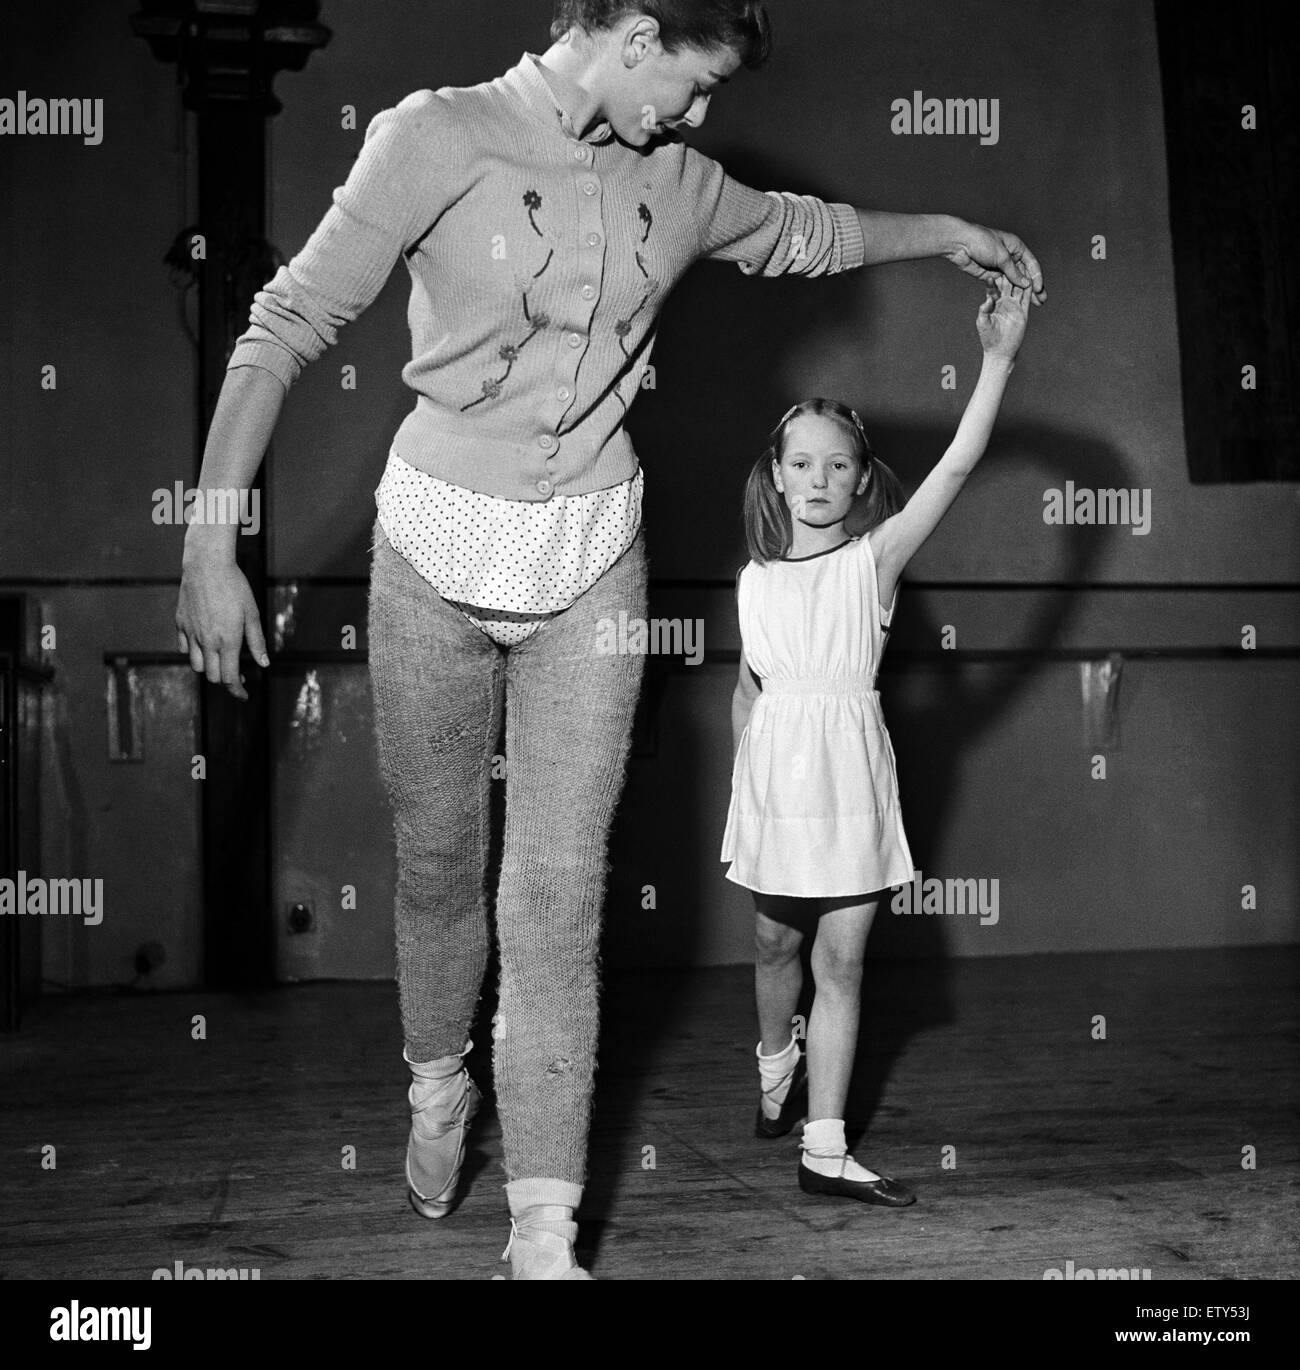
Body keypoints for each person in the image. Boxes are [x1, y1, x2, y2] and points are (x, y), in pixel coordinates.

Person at [174, 0, 1045, 1279]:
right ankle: (434, 1081)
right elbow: (281, 327)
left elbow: (811, 235)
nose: (696, 123)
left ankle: (543, 1229)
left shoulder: (680, 184)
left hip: (592, 556)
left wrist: (954, 231)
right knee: (435, 862)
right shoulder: (434, 136)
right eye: (690, 90)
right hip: (431, 550)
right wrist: (208, 545)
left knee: (556, 897)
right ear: (633, 34)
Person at [722, 278, 1032, 1205]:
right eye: (803, 465)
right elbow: (747, 688)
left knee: (841, 960)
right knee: (776, 948)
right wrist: (747, 784)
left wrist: (999, 359)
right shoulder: (753, 580)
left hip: (851, 768)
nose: (820, 481)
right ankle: (776, 1059)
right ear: (777, 474)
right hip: (777, 775)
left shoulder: (877, 560)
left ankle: (825, 1145)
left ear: (860, 478)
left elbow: (960, 467)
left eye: (838, 466)